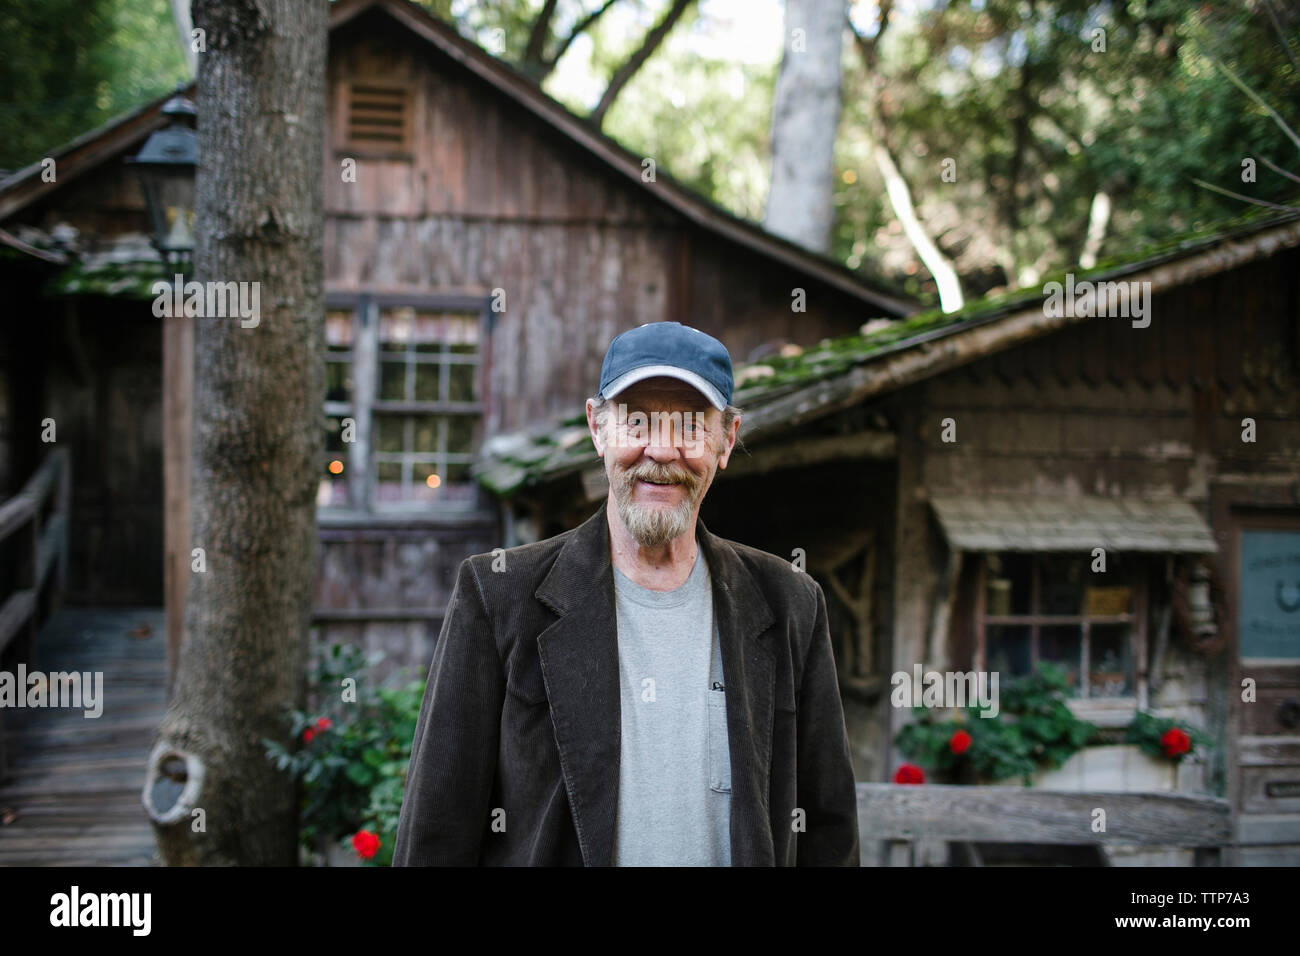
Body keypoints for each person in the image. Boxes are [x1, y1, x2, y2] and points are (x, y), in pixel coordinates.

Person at [393, 321, 859, 866]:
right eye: (637, 421)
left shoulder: (790, 602)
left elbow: (828, 829)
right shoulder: (499, 595)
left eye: (689, 425)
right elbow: (437, 830)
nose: (660, 450)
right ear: (598, 428)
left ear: (726, 440)